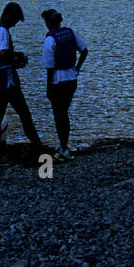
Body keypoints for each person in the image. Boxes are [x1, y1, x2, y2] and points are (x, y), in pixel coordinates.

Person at [0, 3, 45, 154]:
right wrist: (18, 56)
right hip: (7, 79)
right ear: (9, 16)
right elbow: (4, 53)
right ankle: (38, 146)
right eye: (15, 20)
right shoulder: (2, 31)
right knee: (24, 113)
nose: (15, 25)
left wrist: (13, 61)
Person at [41, 8, 88, 159]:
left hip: (58, 80)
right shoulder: (70, 33)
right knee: (64, 112)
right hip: (72, 79)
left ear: (48, 22)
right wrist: (77, 69)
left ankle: (64, 148)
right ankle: (64, 145)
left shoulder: (50, 39)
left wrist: (48, 88)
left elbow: (49, 66)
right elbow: (84, 50)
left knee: (58, 113)